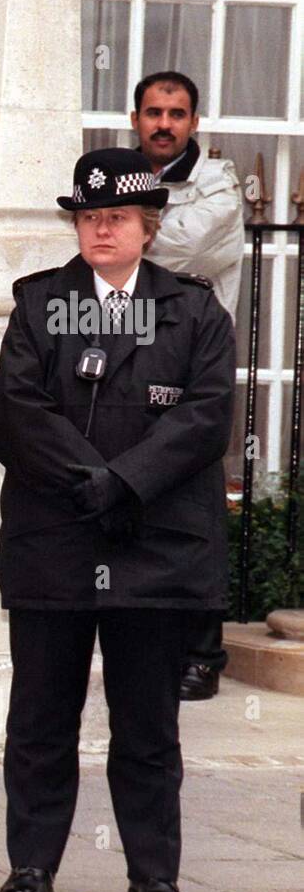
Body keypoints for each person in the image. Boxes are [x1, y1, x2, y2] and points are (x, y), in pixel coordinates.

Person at [0, 148, 235, 892]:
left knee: (148, 728)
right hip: (57, 541)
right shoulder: (38, 305)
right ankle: (31, 867)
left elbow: (205, 418)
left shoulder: (195, 314)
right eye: (89, 217)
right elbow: (13, 414)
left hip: (153, 548)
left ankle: (154, 874)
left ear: (148, 227)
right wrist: (89, 481)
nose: (100, 230)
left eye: (116, 217)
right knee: (40, 722)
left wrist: (125, 482)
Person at [131, 70, 244, 702]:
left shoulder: (219, 184)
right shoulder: (123, 171)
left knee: (197, 513)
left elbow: (184, 247)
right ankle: (148, 642)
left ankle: (202, 653)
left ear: (194, 122)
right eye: (153, 112)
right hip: (133, 361)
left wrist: (129, 230)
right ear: (136, 118)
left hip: (199, 369)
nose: (164, 124)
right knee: (136, 500)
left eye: (176, 113)